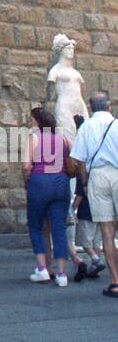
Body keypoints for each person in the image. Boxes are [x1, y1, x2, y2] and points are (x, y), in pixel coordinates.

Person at [69, 92, 118, 299]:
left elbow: (77, 161)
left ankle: (115, 282)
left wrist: (85, 183)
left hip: (97, 176)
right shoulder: (116, 124)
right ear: (109, 106)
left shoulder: (86, 127)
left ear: (90, 107)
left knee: (106, 232)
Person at [22, 105, 70, 286]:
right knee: (59, 228)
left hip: (39, 182)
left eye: (31, 120)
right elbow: (71, 160)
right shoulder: (63, 139)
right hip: (61, 182)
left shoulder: (33, 138)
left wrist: (27, 181)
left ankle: (42, 269)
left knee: (35, 225)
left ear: (38, 122)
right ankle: (62, 273)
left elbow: (26, 165)